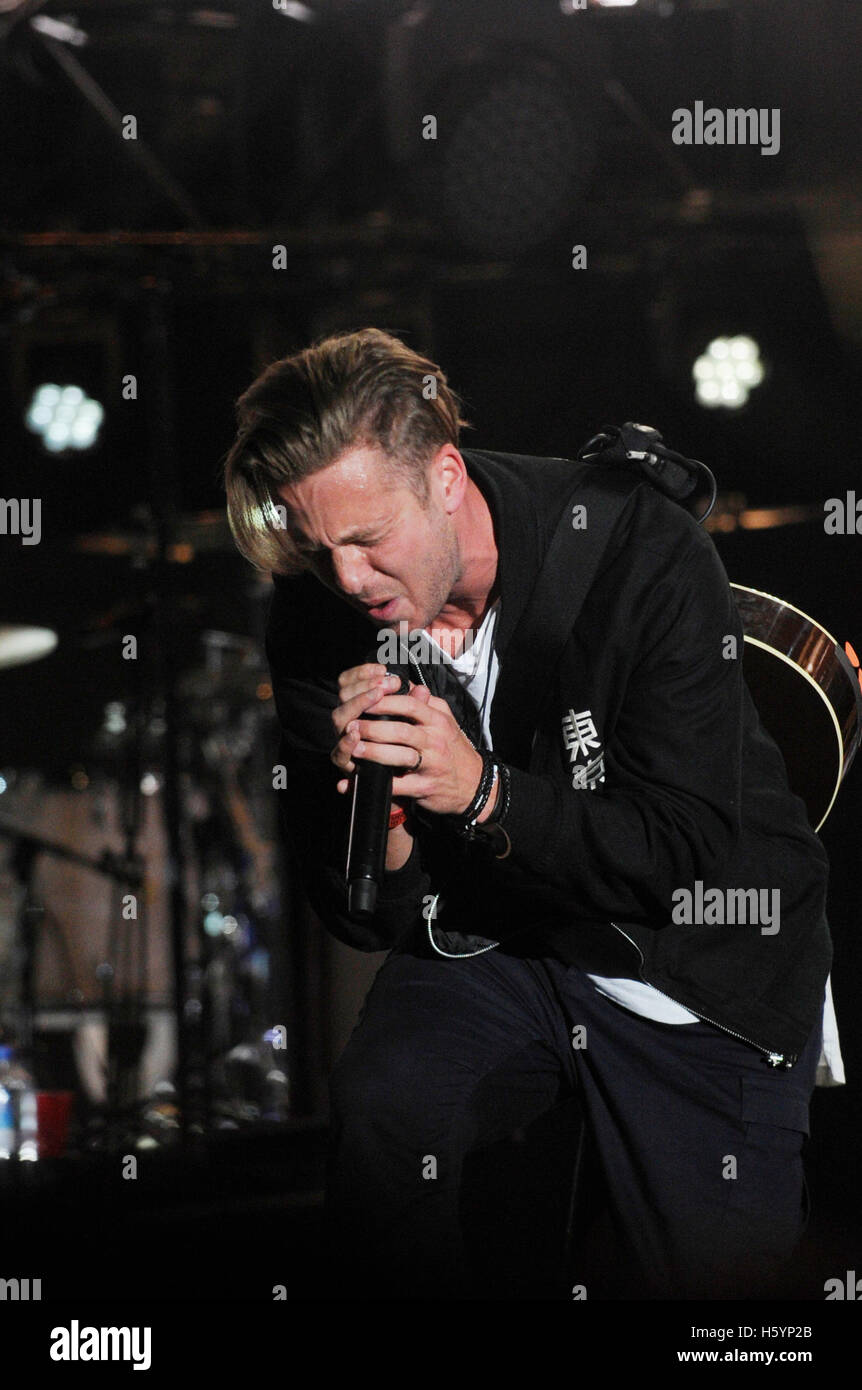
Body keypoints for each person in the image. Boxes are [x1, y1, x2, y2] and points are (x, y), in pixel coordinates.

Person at [224, 326, 841, 1300]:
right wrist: (375, 823)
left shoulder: (632, 548)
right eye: (320, 542)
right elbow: (355, 911)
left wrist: (479, 790)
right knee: (390, 1108)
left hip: (690, 948)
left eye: (368, 538)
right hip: (504, 937)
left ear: (445, 476)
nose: (347, 576)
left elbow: (681, 851)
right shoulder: (316, 609)